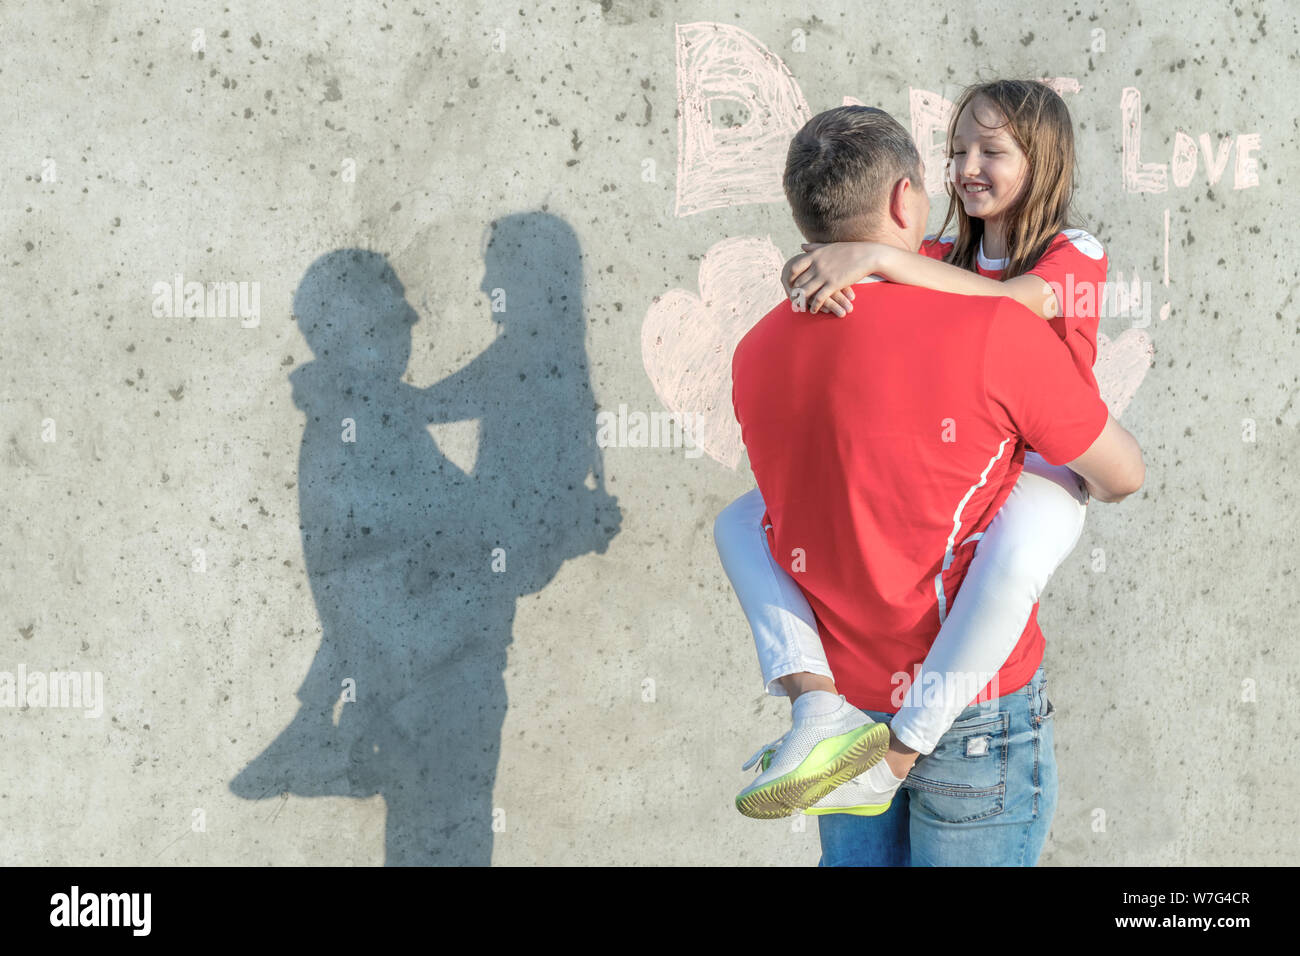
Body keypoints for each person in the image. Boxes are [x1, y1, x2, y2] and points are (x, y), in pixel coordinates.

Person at [726, 99, 1144, 864]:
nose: (966, 169)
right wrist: (828, 265)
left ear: (1045, 163)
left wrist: (877, 259)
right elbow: (1128, 474)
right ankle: (889, 742)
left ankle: (828, 708)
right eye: (954, 154)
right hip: (979, 714)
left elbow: (1023, 303)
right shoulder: (943, 256)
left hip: (1050, 462)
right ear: (906, 194)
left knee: (1013, 552)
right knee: (737, 521)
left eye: (992, 153)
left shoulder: (1068, 250)